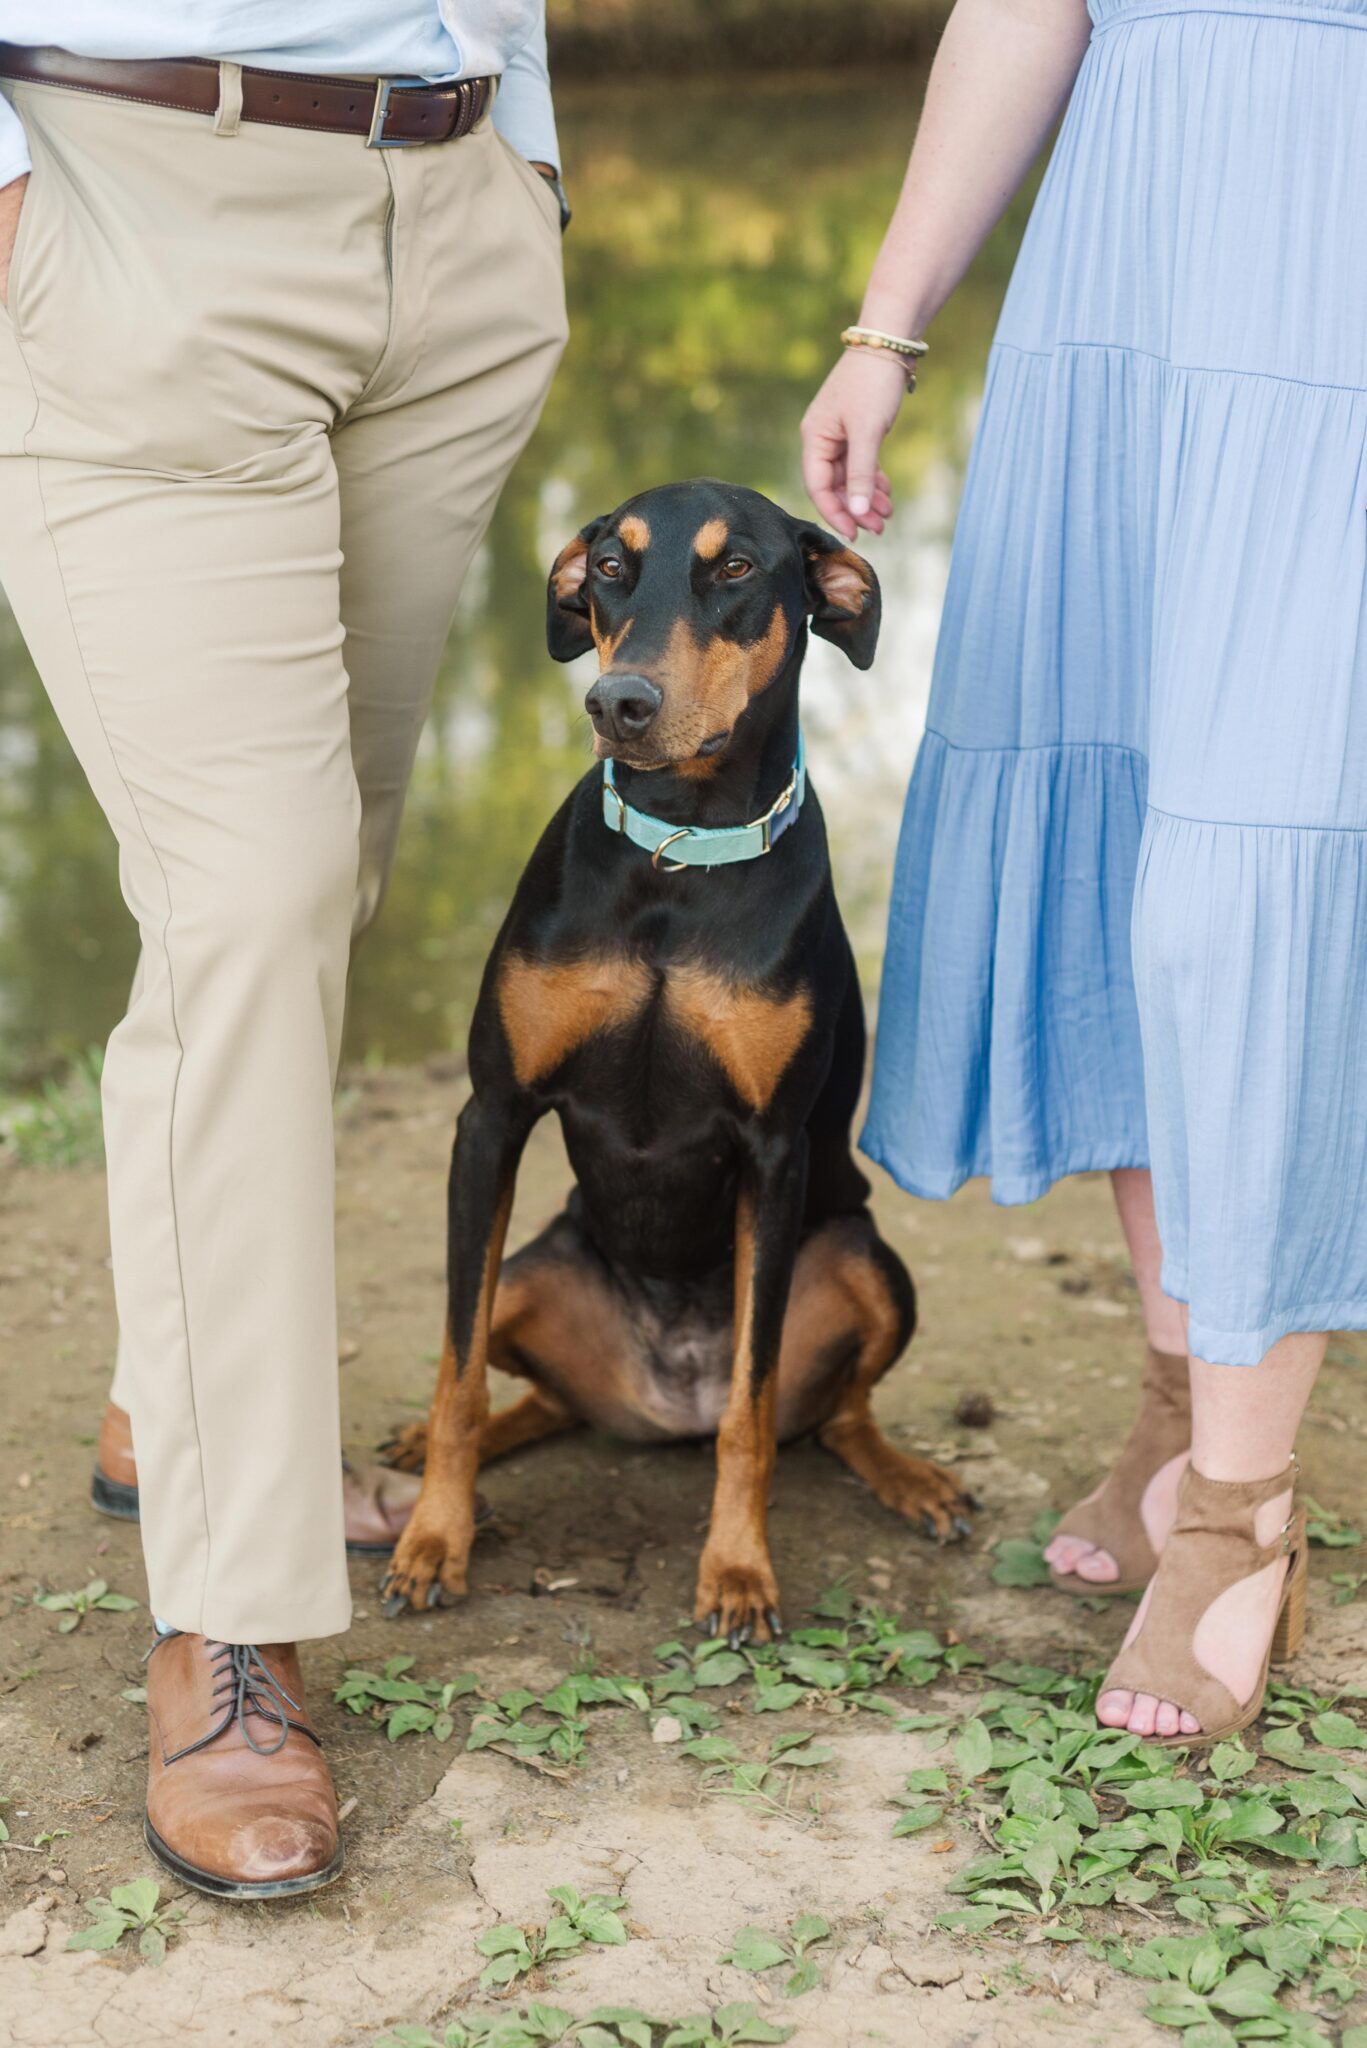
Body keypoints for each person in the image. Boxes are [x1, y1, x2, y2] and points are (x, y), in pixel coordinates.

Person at [0, 7, 568, 1898]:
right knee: (247, 895)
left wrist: (526, 142)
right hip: (127, 193)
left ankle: (183, 1402)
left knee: (320, 880)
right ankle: (230, 1621)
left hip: (456, 216)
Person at [800, 0, 1364, 1743]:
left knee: (1243, 878)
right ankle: (1185, 1394)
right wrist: (883, 333)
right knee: (1120, 848)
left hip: (1332, 249)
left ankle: (1240, 1510)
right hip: (1126, 259)